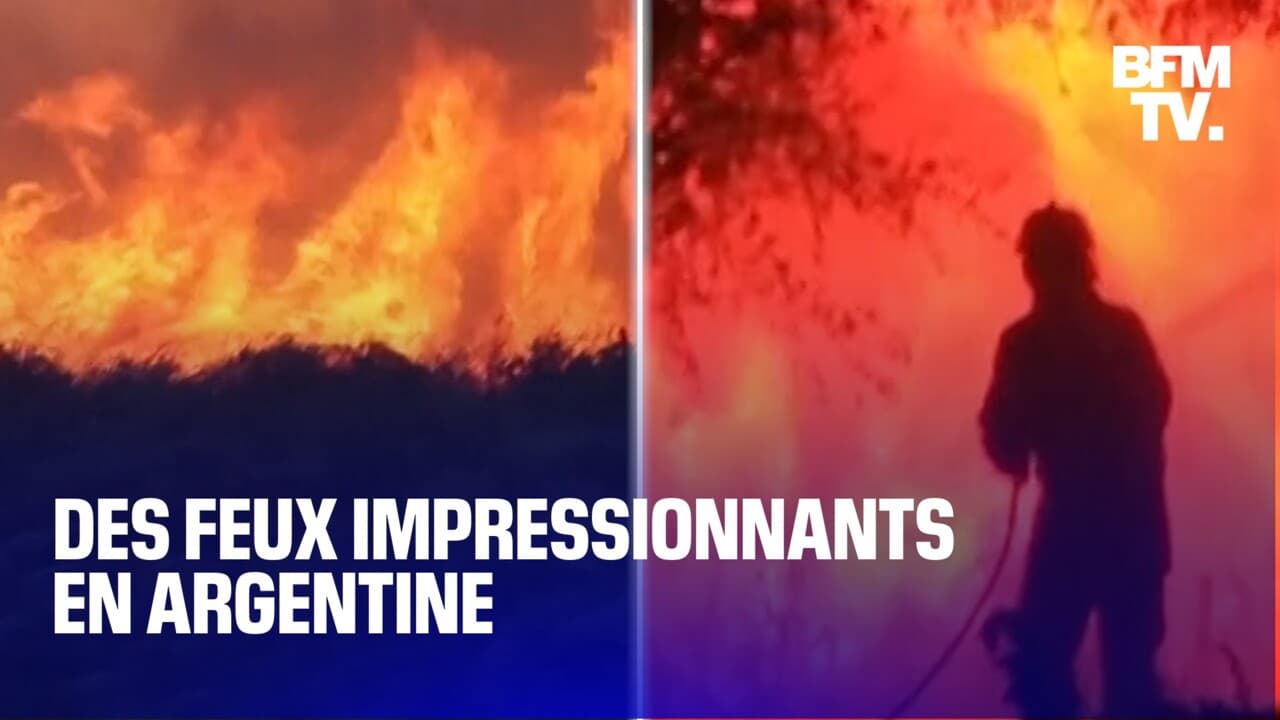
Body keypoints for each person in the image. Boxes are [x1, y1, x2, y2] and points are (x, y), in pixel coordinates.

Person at [979, 204, 1172, 718]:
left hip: (1071, 530)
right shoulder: (1123, 333)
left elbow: (1002, 434)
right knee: (1131, 682)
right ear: (1085, 261)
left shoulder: (1025, 344)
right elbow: (1155, 409)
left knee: (1042, 671)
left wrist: (1020, 448)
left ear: (1033, 266)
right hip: (1135, 529)